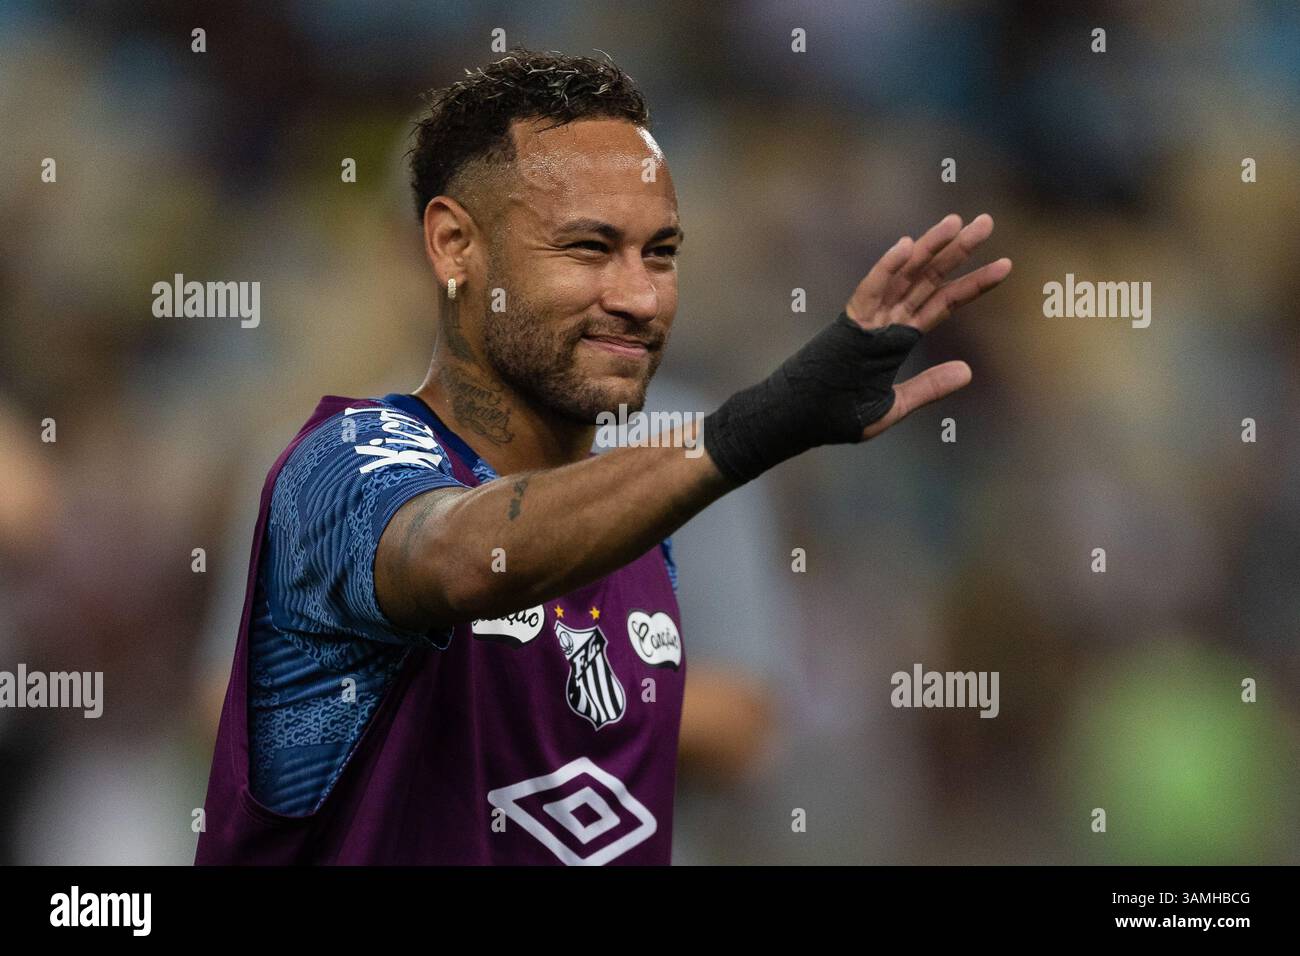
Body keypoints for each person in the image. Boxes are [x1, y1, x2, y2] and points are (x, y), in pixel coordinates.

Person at [195, 48, 1011, 865]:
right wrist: (753, 429)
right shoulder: (336, 465)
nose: (641, 296)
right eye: (587, 248)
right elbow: (458, 556)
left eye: (660, 252)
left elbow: (746, 728)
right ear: (449, 246)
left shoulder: (651, 528)